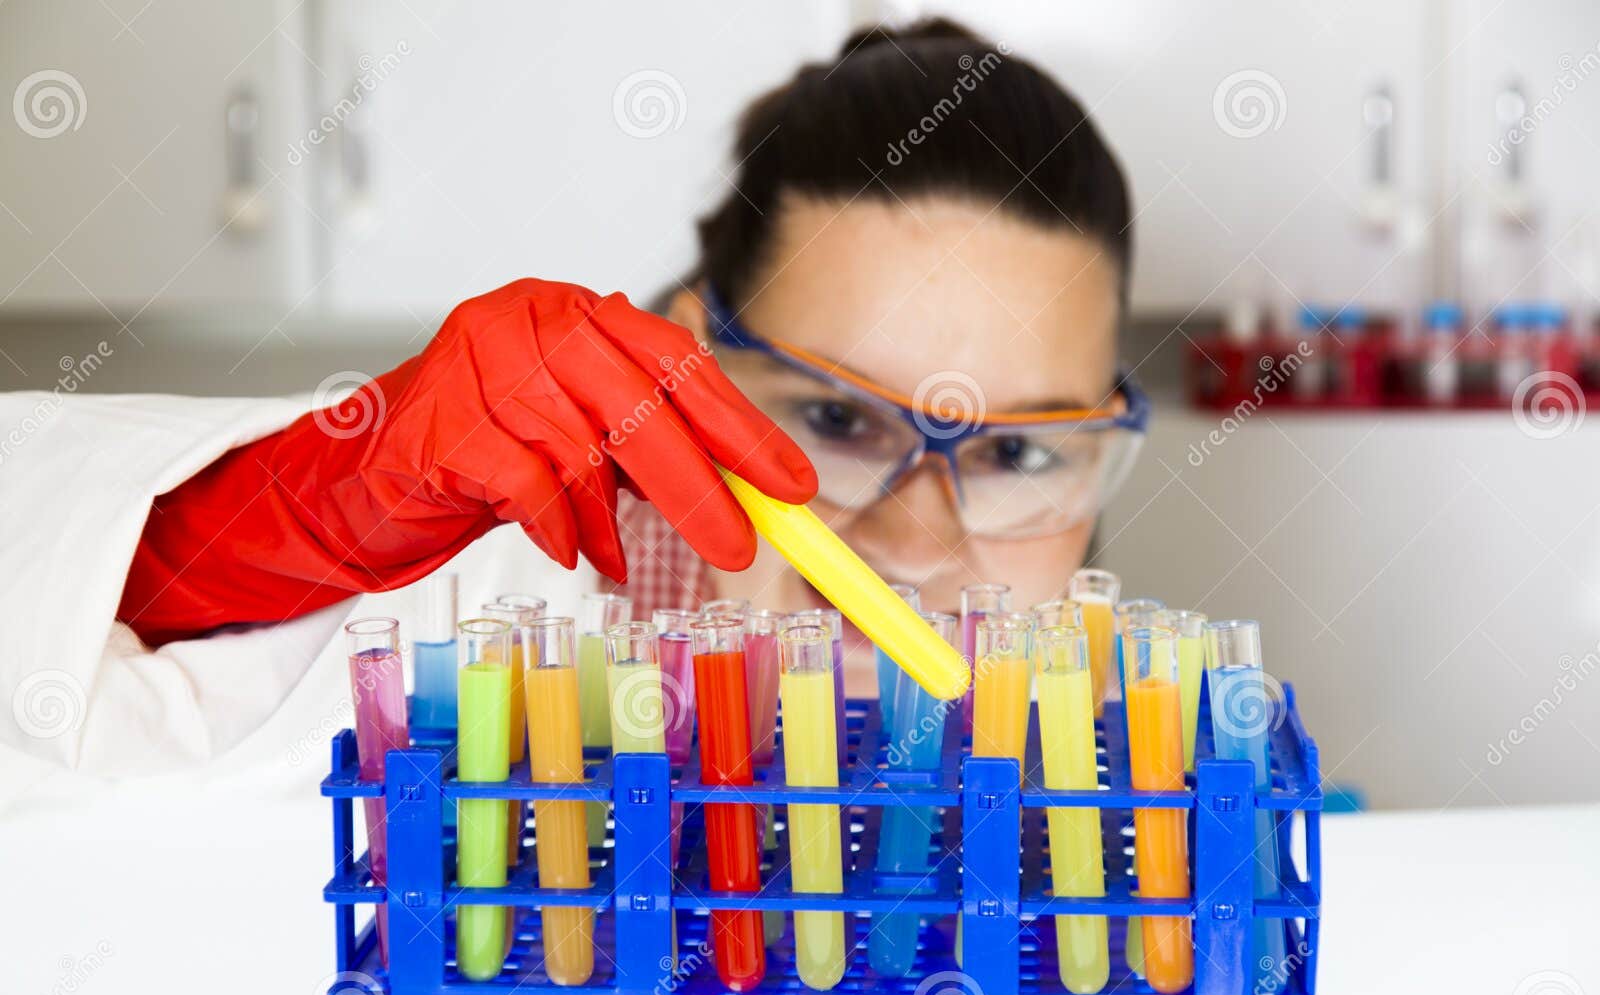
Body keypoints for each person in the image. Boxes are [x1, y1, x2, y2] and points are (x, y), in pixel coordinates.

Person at [1, 19, 1143, 771]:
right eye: (838, 417)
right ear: (695, 358)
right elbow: (67, 650)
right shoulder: (493, 603)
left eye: (1020, 452)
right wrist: (321, 500)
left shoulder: (1133, 743)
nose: (915, 541)